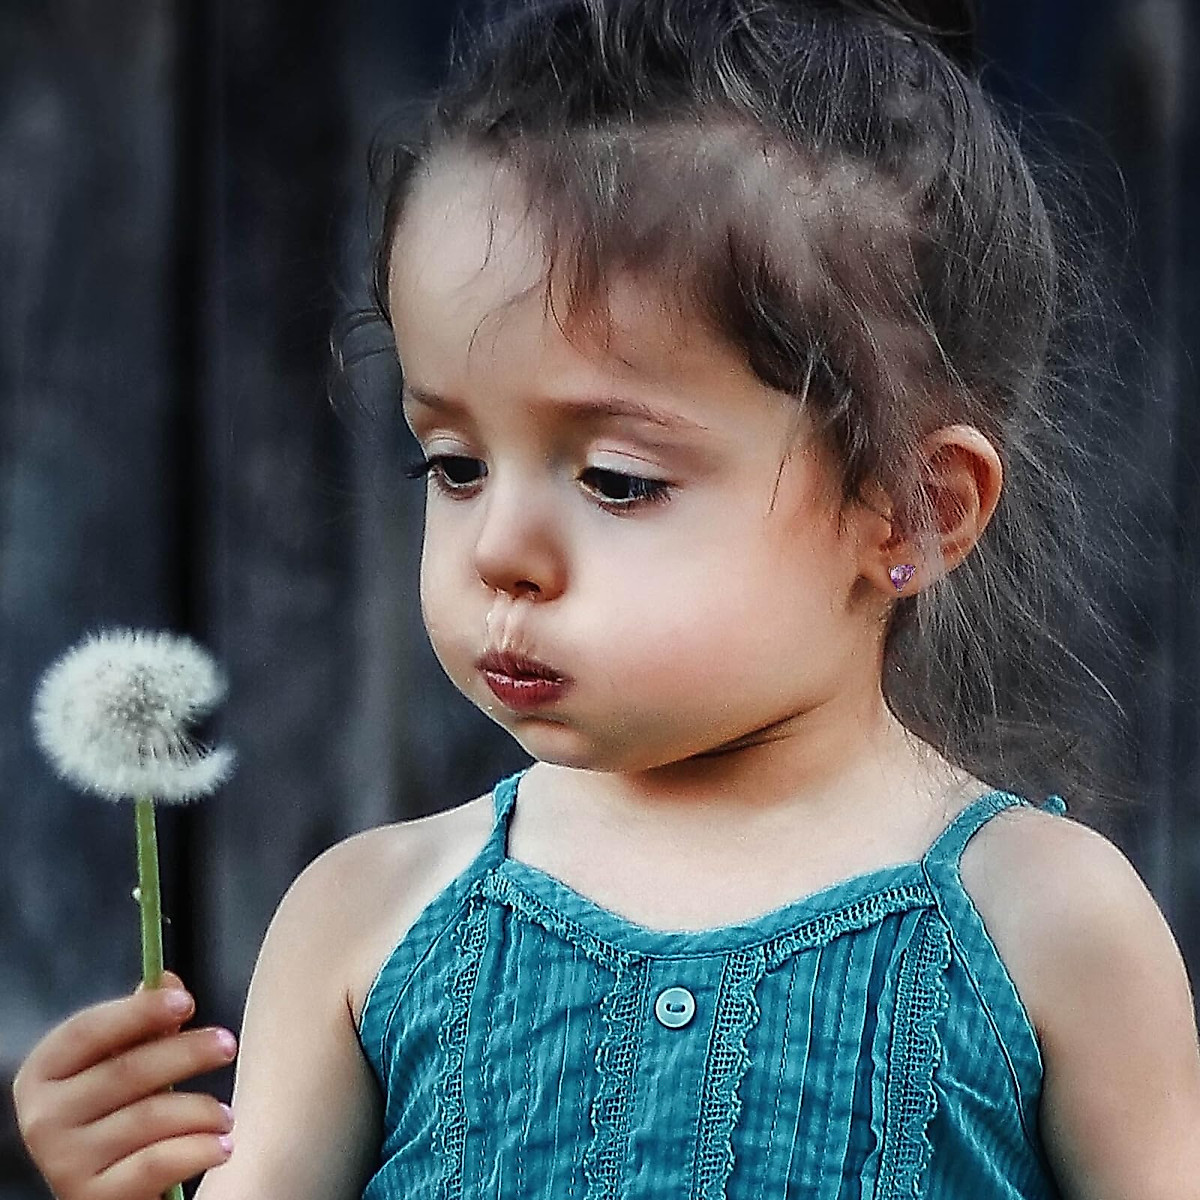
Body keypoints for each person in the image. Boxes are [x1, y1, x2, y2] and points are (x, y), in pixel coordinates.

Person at [13, 0, 1200, 1197]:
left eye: (618, 480)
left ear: (912, 511)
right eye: (455, 465)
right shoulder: (365, 920)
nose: (499, 551)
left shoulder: (1048, 925)